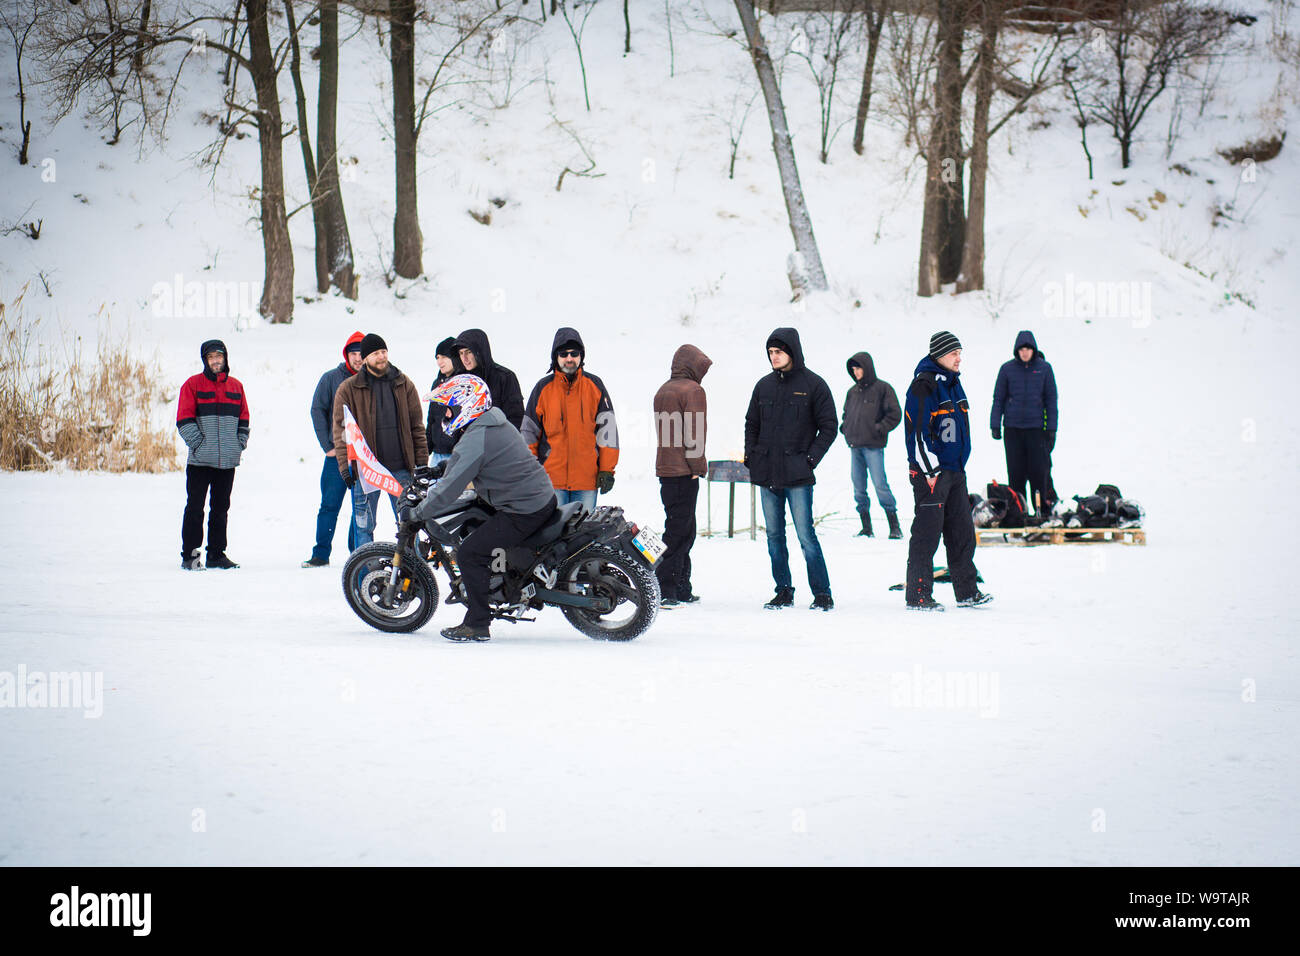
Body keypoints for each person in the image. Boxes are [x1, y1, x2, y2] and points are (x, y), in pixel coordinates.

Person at [407, 375, 558, 643]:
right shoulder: (493, 422)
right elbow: (471, 462)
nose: (447, 413)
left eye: (450, 408)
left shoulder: (476, 437)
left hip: (524, 509)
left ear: (467, 406)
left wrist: (419, 513)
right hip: (536, 497)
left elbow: (450, 488)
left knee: (470, 552)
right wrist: (438, 469)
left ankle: (477, 623)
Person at [744, 328, 838, 611]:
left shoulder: (814, 385)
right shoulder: (763, 386)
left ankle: (822, 594)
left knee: (806, 535)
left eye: (779, 352)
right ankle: (783, 590)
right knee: (774, 537)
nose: (774, 357)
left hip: (798, 475)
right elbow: (751, 423)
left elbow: (829, 427)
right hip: (767, 473)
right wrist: (752, 456)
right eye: (771, 353)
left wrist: (810, 459)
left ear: (792, 352)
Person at [903, 331, 992, 611]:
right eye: (954, 353)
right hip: (932, 473)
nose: (958, 358)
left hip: (955, 471)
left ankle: (967, 592)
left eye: (959, 352)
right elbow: (917, 433)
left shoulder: (954, 384)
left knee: (962, 533)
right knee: (927, 536)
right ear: (940, 355)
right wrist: (931, 470)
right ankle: (918, 595)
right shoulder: (923, 385)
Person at [332, 333, 429, 547]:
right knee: (364, 527)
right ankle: (365, 578)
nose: (381, 356)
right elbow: (341, 432)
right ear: (365, 358)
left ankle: (413, 577)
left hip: (401, 469)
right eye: (376, 353)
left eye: (384, 352)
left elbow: (417, 427)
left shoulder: (404, 383)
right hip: (367, 471)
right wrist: (344, 468)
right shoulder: (348, 388)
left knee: (409, 525)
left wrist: (422, 463)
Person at [521, 327, 619, 512]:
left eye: (574, 353)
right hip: (551, 481)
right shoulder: (543, 388)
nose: (569, 358)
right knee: (552, 536)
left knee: (583, 536)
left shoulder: (595, 386)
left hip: (586, 481)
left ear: (581, 356)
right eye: (563, 354)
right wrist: (530, 473)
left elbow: (608, 432)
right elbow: (528, 435)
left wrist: (607, 469)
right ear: (555, 357)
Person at [176, 339, 249, 570]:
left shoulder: (236, 387)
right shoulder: (193, 385)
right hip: (200, 461)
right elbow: (184, 420)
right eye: (211, 357)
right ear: (205, 361)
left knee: (220, 510)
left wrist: (239, 444)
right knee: (195, 509)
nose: (216, 361)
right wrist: (199, 444)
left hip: (227, 461)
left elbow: (244, 419)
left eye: (219, 356)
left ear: (225, 358)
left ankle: (217, 555)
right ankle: (191, 557)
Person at [653, 344, 711, 607]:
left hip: (666, 469)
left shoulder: (663, 389)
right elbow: (695, 436)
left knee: (679, 526)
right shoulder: (693, 391)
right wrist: (698, 467)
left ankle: (681, 585)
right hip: (685, 472)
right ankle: (665, 587)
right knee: (680, 532)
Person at [302, 332, 363, 568]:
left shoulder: (374, 380)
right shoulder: (331, 378)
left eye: (361, 354)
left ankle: (357, 553)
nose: (358, 358)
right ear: (347, 355)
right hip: (336, 455)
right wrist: (327, 446)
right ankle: (321, 553)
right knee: (329, 504)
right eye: (353, 353)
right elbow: (317, 410)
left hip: (364, 458)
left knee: (361, 508)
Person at [990, 330, 1058, 515]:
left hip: (1036, 430)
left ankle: (1041, 512)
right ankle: (1019, 511)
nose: (1025, 352)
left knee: (1038, 474)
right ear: (1016, 351)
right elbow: (999, 398)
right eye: (1021, 349)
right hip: (1012, 429)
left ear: (1033, 350)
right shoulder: (1007, 369)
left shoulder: (1045, 369)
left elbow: (1051, 401)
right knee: (1016, 474)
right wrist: (995, 424)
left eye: (1028, 348)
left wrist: (1051, 429)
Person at [840, 350, 903, 539]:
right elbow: (845, 413)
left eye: (858, 368)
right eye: (853, 369)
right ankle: (866, 527)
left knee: (880, 485)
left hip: (874, 447)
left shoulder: (883, 388)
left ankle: (894, 526)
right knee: (858, 487)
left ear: (867, 368)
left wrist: (879, 428)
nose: (856, 372)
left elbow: (895, 414)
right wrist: (845, 427)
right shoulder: (852, 392)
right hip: (855, 447)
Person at [454, 328, 525, 429]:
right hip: (467, 442)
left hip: (498, 442)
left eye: (468, 352)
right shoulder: (460, 381)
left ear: (480, 351)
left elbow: (516, 419)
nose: (464, 358)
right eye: (461, 353)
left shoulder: (505, 377)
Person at [425, 336, 464, 468]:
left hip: (458, 455)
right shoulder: (437, 384)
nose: (439, 362)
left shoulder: (465, 383)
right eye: (437, 358)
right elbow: (431, 420)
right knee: (434, 489)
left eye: (444, 357)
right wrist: (426, 450)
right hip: (437, 454)